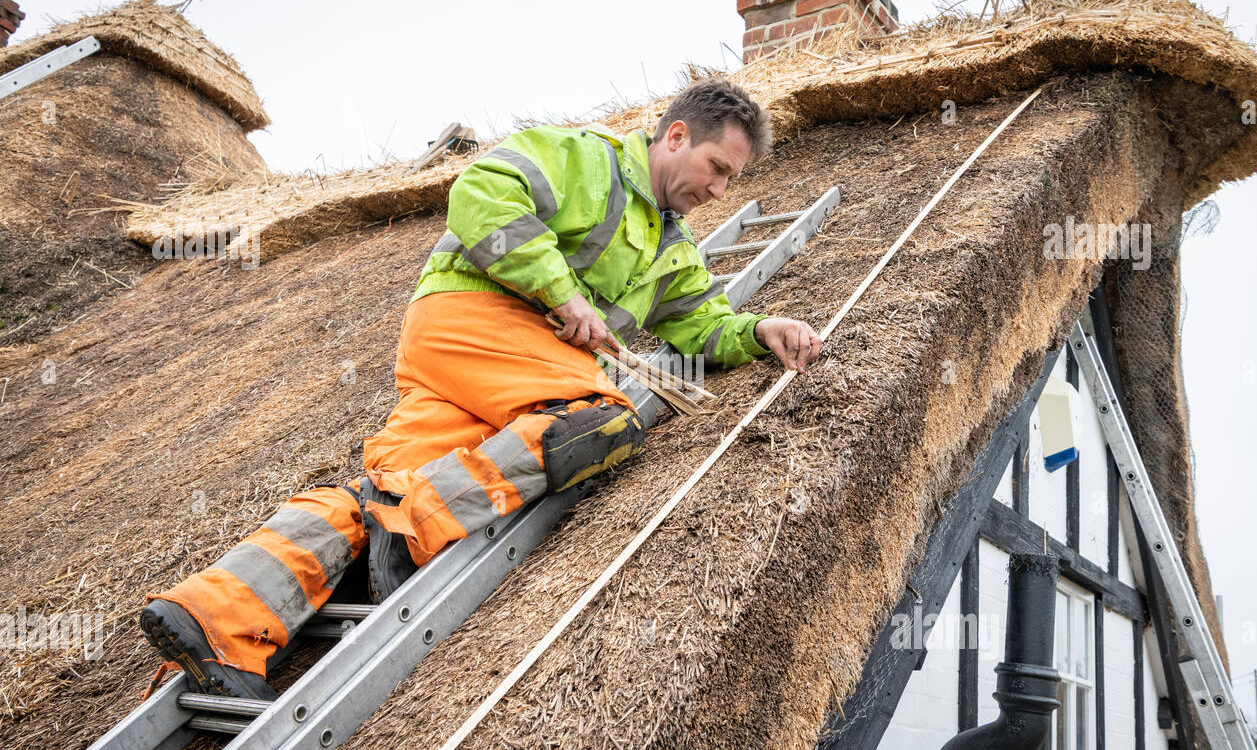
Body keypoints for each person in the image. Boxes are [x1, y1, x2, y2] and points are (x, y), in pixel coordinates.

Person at [139, 78, 824, 701]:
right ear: (676, 136)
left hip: (485, 374)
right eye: (717, 169)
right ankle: (410, 532)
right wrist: (560, 291)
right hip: (480, 318)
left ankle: (216, 618)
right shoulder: (587, 160)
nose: (720, 192)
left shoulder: (672, 250)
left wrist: (760, 329)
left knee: (383, 484)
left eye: (733, 180)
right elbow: (480, 192)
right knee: (601, 419)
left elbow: (702, 326)